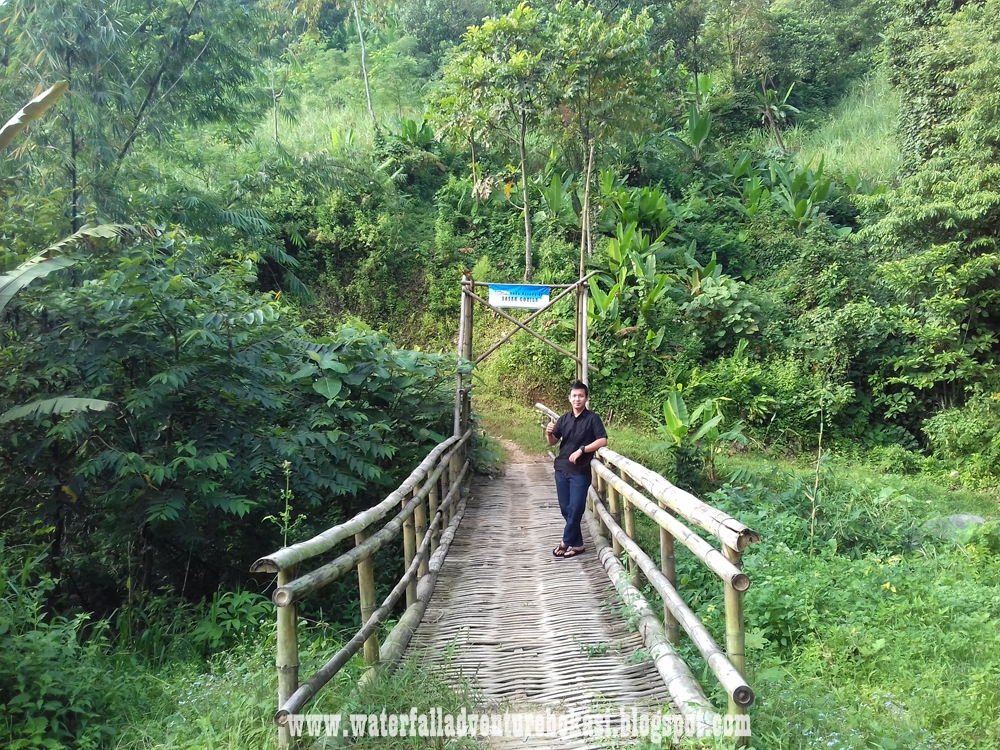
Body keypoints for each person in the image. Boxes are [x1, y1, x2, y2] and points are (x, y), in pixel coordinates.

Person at [545, 380, 608, 558]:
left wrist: (583, 450)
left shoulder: (592, 419)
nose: (577, 399)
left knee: (576, 508)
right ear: (569, 398)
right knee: (566, 509)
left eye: (581, 396)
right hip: (561, 469)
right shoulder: (564, 419)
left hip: (580, 471)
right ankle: (578, 545)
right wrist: (549, 432)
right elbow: (552, 442)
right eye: (574, 396)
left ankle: (565, 541)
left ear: (586, 398)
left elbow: (602, 440)